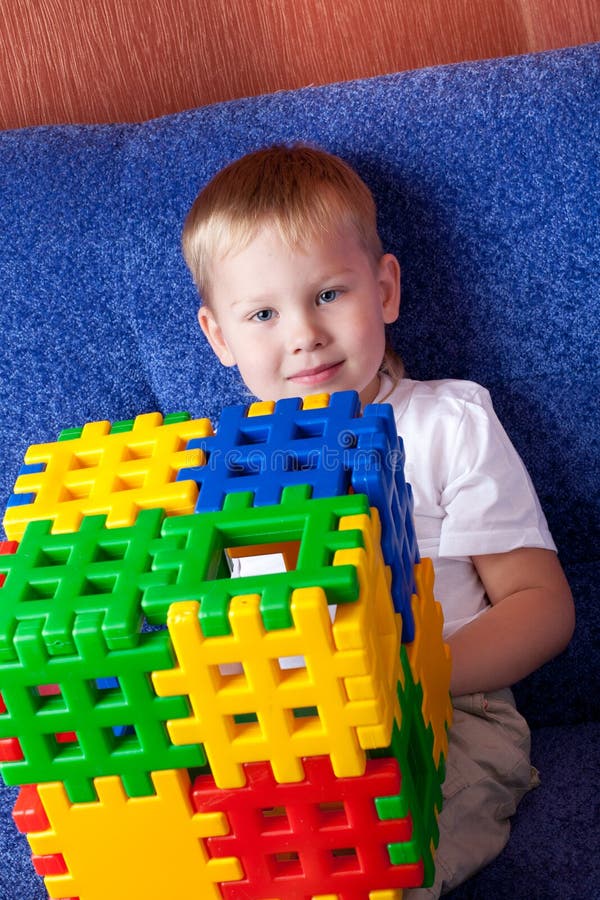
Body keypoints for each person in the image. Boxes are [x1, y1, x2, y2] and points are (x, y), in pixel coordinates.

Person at [181, 144, 575, 897]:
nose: (302, 334)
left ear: (385, 288)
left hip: (450, 715)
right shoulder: (215, 470)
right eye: (262, 313)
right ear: (220, 337)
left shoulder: (448, 422)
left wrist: (411, 674)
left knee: (369, 863)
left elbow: (543, 607)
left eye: (329, 294)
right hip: (280, 725)